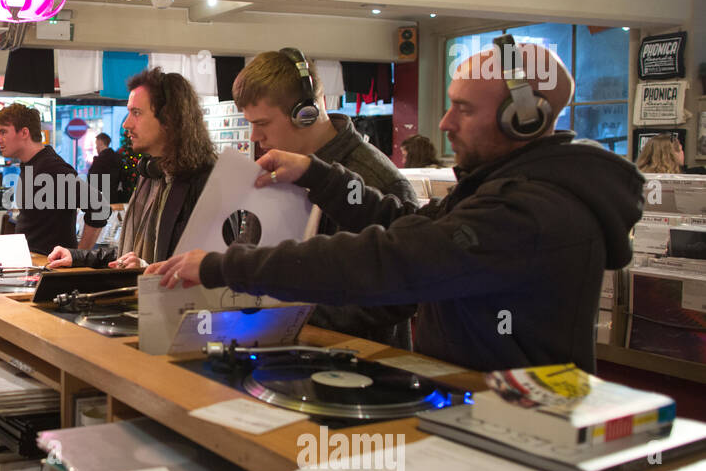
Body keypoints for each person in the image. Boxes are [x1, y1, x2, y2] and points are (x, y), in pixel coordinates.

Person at [149, 39, 644, 373]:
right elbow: (406, 225)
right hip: (479, 405)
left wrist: (222, 266)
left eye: (465, 109)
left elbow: (389, 258)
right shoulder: (500, 189)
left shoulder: (532, 211)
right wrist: (317, 174)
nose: (445, 122)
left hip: (515, 424)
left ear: (524, 120)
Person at [234, 48, 418, 349]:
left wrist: (290, 307)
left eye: (263, 123)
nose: (254, 136)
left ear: (306, 114)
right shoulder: (274, 169)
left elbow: (392, 298)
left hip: (355, 373)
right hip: (276, 353)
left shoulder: (379, 180)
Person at [48, 68, 215, 269]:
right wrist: (77, 257)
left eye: (136, 113)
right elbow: (128, 254)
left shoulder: (208, 180)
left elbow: (213, 267)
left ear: (169, 119)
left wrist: (146, 268)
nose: (126, 124)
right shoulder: (152, 173)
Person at [0, 103, 79, 254]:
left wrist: (79, 257)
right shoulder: (31, 164)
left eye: (3, 132)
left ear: (24, 133)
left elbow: (98, 207)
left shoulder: (52, 167)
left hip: (52, 271)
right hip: (34, 266)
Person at [78, 132, 121, 249]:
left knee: (100, 238)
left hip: (100, 199)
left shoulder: (100, 160)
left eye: (97, 145)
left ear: (101, 143)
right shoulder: (117, 158)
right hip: (114, 199)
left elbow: (92, 181)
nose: (96, 149)